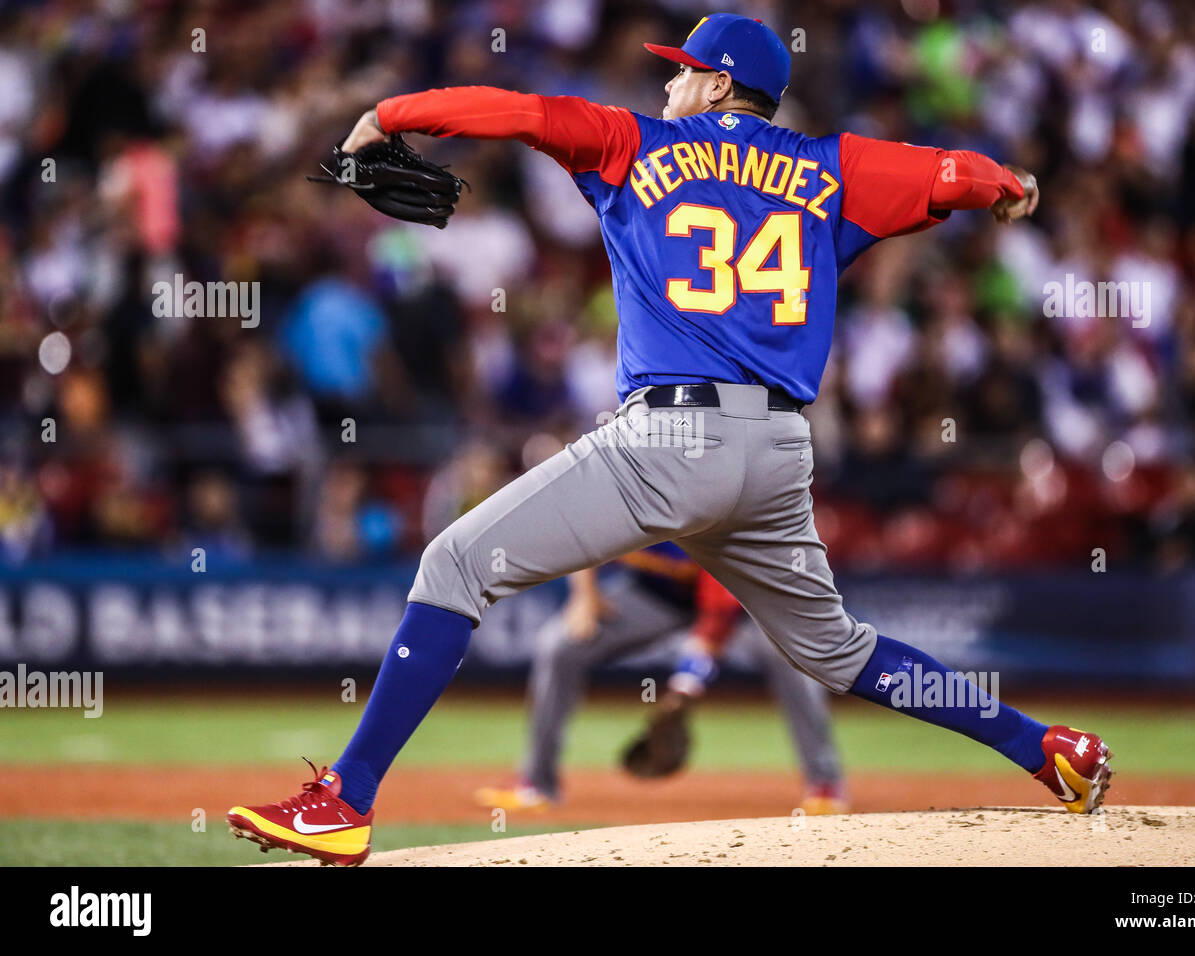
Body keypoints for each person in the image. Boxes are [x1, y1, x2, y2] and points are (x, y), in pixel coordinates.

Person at [229, 14, 1109, 867]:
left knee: (453, 566)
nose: (668, 79)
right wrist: (1006, 186)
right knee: (838, 650)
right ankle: (1047, 750)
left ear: (719, 81)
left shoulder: (632, 142)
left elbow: (510, 110)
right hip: (775, 453)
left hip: (671, 437)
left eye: (682, 67)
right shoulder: (837, 165)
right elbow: (955, 173)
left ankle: (344, 802)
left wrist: (386, 117)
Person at [473, 543, 848, 815]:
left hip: (746, 600)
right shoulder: (625, 497)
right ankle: (537, 784)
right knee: (558, 646)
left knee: (789, 658)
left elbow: (714, 620)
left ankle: (825, 783)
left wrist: (685, 688)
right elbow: (577, 536)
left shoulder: (709, 516)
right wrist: (585, 596)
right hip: (653, 597)